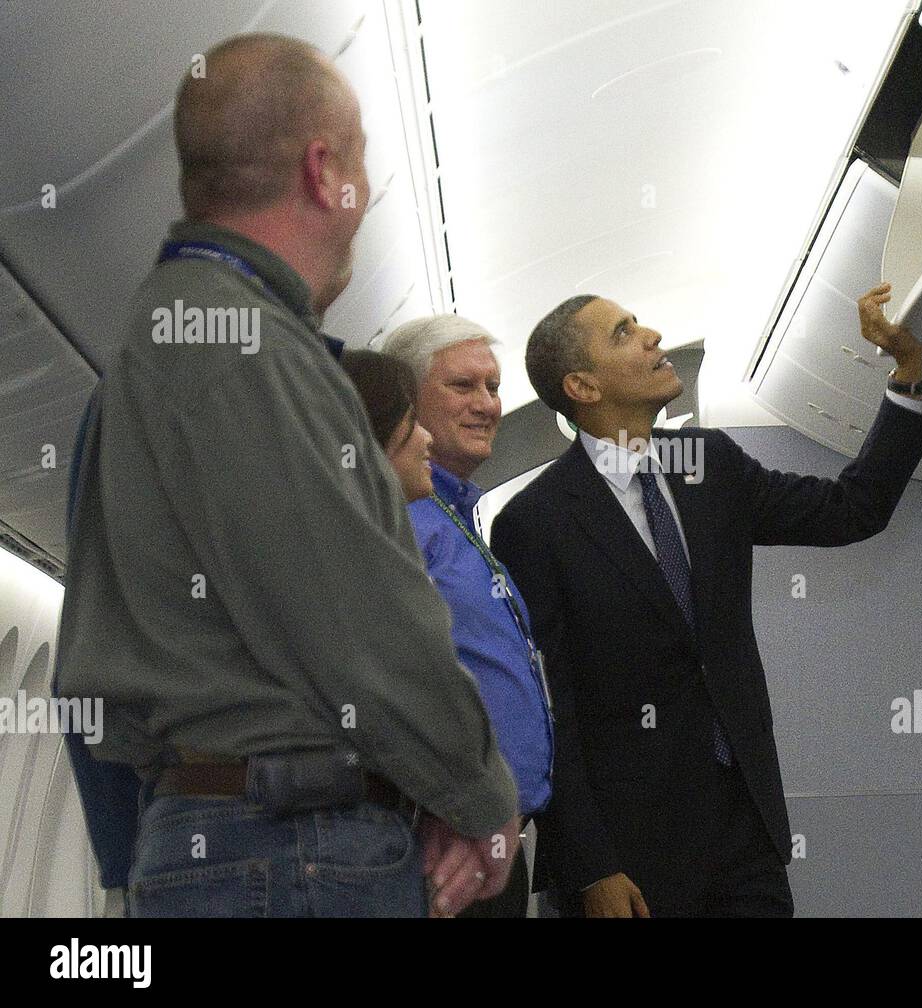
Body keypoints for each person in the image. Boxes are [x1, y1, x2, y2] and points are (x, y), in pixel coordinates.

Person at [54, 32, 517, 918]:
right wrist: (477, 794)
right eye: (363, 164)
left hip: (251, 841)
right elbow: (356, 616)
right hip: (288, 853)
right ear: (322, 171)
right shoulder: (237, 342)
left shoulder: (184, 332)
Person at [490, 284, 922, 917]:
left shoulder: (707, 464)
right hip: (630, 855)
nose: (650, 336)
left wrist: (907, 377)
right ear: (583, 388)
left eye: (639, 321)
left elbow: (852, 510)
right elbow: (550, 707)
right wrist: (590, 867)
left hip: (744, 830)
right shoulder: (535, 521)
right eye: (622, 333)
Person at [383, 316, 555, 918]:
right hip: (438, 840)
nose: (488, 404)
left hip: (493, 835)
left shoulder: (455, 517)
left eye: (494, 386)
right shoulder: (400, 518)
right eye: (463, 386)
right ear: (404, 401)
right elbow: (395, 673)